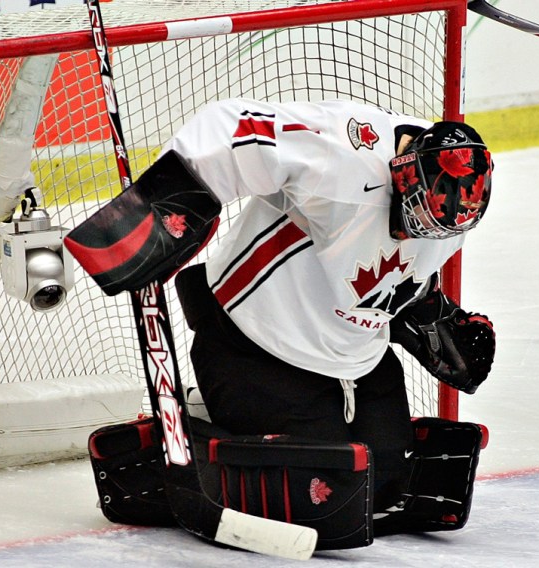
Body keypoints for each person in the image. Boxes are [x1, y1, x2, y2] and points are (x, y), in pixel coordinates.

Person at [68, 98, 496, 546]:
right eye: (418, 217)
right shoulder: (342, 153)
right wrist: (163, 206)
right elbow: (233, 128)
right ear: (404, 175)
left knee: (384, 484)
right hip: (252, 342)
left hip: (354, 357)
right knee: (322, 492)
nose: (423, 233)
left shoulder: (454, 202)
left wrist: (428, 312)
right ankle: (192, 423)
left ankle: (244, 419)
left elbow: (387, 261)